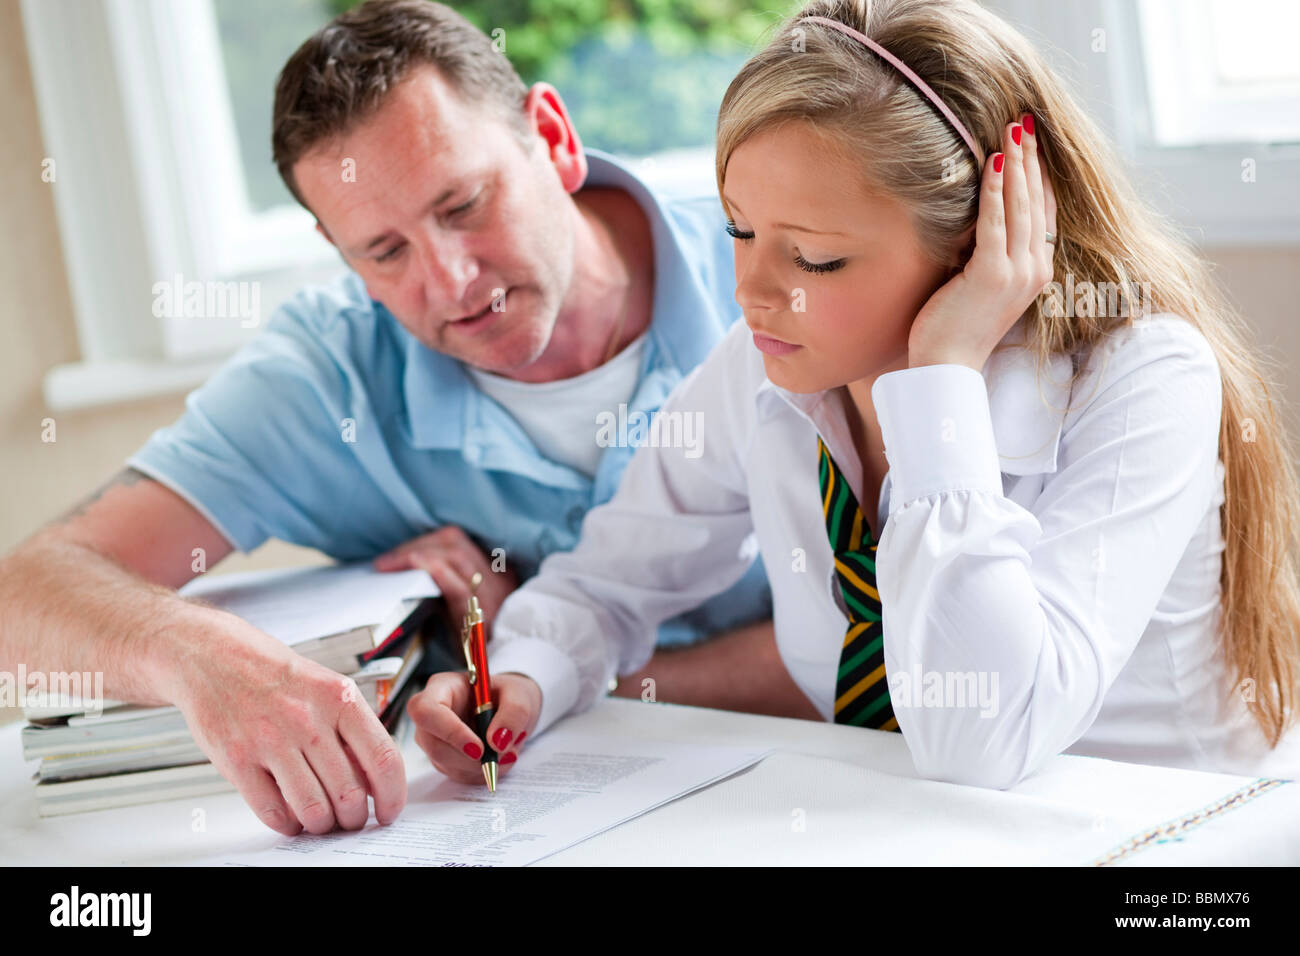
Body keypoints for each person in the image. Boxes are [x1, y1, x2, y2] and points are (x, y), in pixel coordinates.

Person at [409, 0, 1300, 789]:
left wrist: (941, 377)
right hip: (893, 827)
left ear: (976, 245)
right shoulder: (766, 360)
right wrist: (519, 679)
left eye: (815, 258)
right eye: (740, 231)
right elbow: (609, 582)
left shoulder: (1145, 379)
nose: (751, 291)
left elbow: (983, 743)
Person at [0, 0, 794, 837]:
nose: (450, 280)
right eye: (385, 251)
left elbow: (889, 650)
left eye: (463, 206)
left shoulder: (781, 273)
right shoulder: (324, 381)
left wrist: (534, 665)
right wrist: (203, 656)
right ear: (339, 251)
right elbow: (24, 597)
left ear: (554, 138)